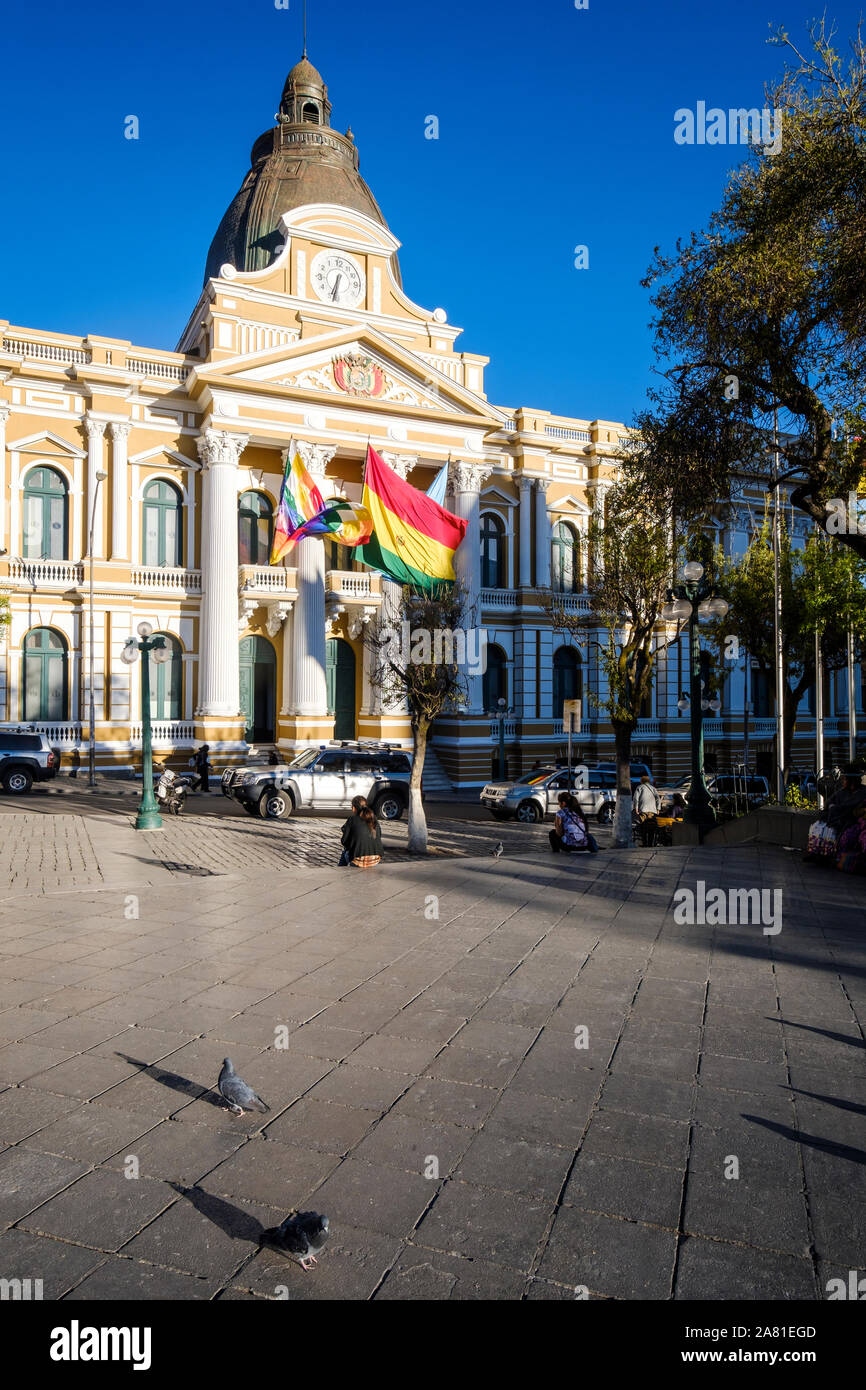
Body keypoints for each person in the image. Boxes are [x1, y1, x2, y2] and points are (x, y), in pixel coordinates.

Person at [339, 794, 383, 869]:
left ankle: (340, 869)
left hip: (358, 860)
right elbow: (379, 835)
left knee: (345, 852)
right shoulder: (374, 818)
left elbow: (344, 841)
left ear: (353, 808)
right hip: (376, 858)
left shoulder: (352, 819)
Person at [633, 774, 661, 846]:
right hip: (652, 811)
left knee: (643, 827)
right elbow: (658, 799)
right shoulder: (653, 788)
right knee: (651, 827)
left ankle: (645, 844)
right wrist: (658, 809)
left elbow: (636, 798)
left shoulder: (639, 787)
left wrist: (636, 808)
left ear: (641, 781)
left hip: (643, 810)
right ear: (648, 781)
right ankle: (650, 844)